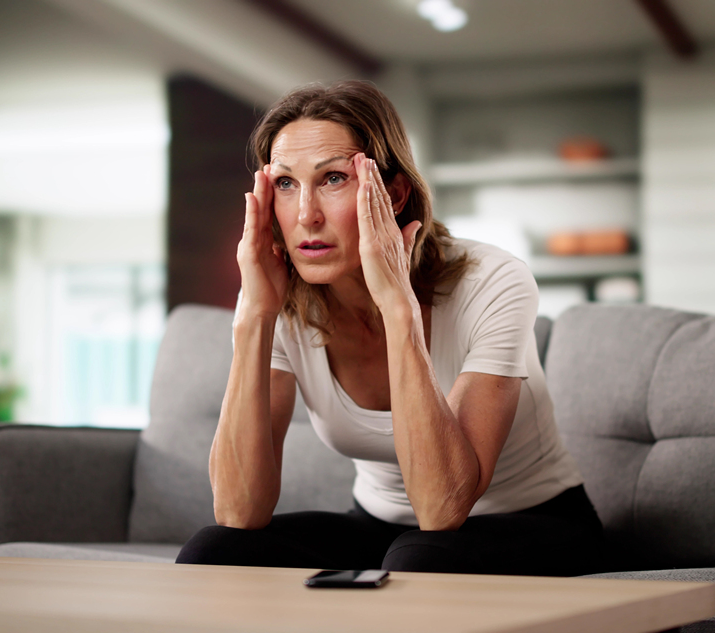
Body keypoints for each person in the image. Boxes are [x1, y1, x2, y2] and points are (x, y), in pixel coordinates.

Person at [175, 80, 603, 576]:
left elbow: (443, 508)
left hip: (537, 524)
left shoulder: (494, 280)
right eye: (287, 184)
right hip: (385, 530)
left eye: (333, 178)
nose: (307, 215)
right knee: (214, 551)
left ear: (395, 193)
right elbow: (237, 511)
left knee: (418, 557)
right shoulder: (278, 300)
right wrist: (254, 315)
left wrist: (397, 306)